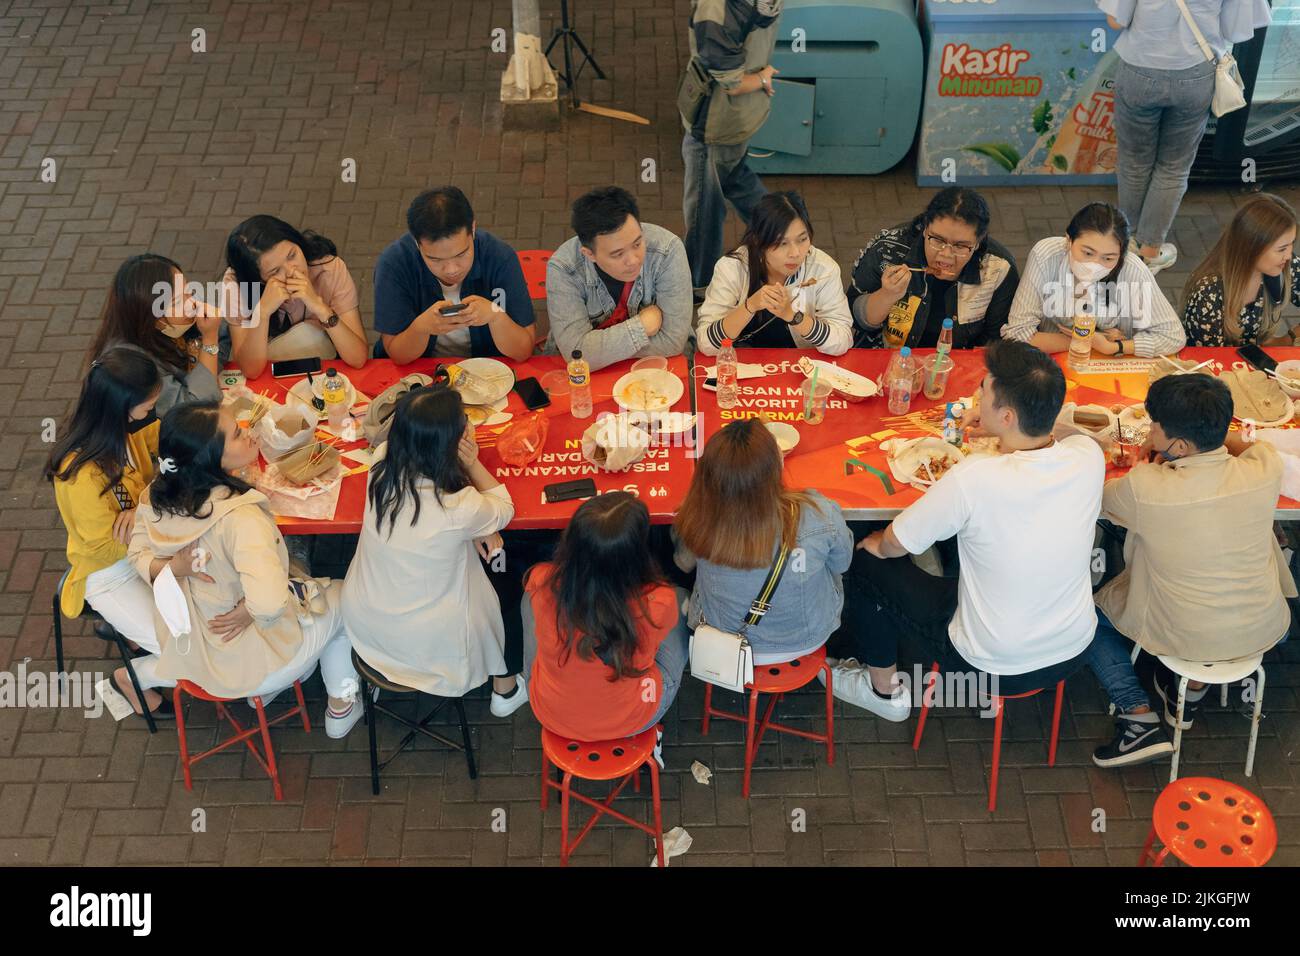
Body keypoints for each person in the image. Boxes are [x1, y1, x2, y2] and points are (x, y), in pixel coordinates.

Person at [835, 341, 1104, 721]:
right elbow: (1065, 432)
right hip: (1074, 648)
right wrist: (1009, 425)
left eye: (984, 391)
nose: (977, 394)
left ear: (1008, 415)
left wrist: (877, 542)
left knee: (865, 560)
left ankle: (884, 693)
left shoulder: (975, 477)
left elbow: (895, 544)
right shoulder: (1088, 458)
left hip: (990, 664)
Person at [117, 401, 363, 737]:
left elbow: (136, 554)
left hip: (195, 645)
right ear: (211, 458)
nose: (248, 434)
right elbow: (269, 606)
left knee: (293, 570)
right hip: (249, 658)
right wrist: (251, 610)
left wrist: (173, 567)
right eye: (236, 435)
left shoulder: (157, 494)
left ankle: (272, 686)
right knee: (346, 597)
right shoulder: (241, 520)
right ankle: (342, 702)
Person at [1088, 374, 1295, 766]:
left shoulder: (1146, 487)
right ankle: (1191, 691)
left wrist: (1139, 464)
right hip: (1263, 629)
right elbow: (1253, 446)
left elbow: (1103, 502)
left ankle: (1137, 719)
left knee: (1086, 619)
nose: (1150, 431)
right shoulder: (1264, 469)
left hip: (1185, 635)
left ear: (1179, 445)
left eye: (1154, 426)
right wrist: (1216, 441)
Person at [342, 386, 527, 715]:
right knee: (506, 576)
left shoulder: (381, 462)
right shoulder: (460, 507)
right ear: (450, 442)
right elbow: (504, 507)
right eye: (464, 420)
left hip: (369, 624)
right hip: (430, 646)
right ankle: (506, 689)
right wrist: (471, 464)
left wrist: (474, 532)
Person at [1102, 0, 1272, 274]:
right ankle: (1150, 250)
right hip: (1196, 73)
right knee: (1174, 167)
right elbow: (1234, 30)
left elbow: (1115, 21)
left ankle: (1126, 244)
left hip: (1140, 69)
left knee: (1134, 162)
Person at [674, 419, 853, 666]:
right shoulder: (818, 512)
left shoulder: (697, 513)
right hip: (807, 638)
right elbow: (842, 564)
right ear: (775, 467)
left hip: (723, 639)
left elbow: (682, 564)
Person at [524, 492, 688, 752]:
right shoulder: (658, 601)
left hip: (553, 713)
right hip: (634, 717)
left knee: (529, 603)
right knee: (682, 600)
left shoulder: (542, 581)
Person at [47, 346, 163, 654]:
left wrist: (145, 508)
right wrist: (151, 517)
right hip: (111, 572)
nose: (152, 412)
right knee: (181, 646)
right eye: (147, 406)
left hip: (147, 546)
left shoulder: (127, 428)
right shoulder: (79, 475)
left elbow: (170, 441)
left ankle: (133, 639)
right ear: (121, 408)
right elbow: (104, 546)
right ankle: (126, 683)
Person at [679, 0, 783, 292]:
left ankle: (700, 284)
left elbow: (732, 83)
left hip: (715, 122)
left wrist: (762, 78)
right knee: (736, 179)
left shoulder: (717, 8)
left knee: (704, 208)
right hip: (742, 116)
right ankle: (782, 236)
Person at [373, 187, 536, 364]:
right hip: (421, 371)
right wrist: (421, 328)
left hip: (487, 370)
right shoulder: (394, 264)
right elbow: (397, 355)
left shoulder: (499, 258)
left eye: (461, 254)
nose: (451, 269)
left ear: (472, 229)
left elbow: (524, 350)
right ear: (416, 242)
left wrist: (495, 316)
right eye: (435, 259)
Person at [1002, 202, 1185, 357]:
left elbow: (1173, 336)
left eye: (1108, 258)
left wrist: (1116, 347)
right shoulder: (1046, 255)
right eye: (1087, 253)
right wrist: (1086, 339)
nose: (1094, 265)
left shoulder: (1132, 269)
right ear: (1069, 240)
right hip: (1052, 359)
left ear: (1121, 255)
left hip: (1111, 362)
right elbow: (1016, 334)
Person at [846, 187, 1019, 350]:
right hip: (886, 356)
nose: (946, 255)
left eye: (960, 246)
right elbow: (853, 318)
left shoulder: (998, 269)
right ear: (924, 228)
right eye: (937, 240)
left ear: (978, 242)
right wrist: (886, 296)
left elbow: (995, 340)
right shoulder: (888, 251)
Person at [545, 186, 693, 371]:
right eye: (617, 254)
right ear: (589, 254)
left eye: (637, 243)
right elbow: (577, 354)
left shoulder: (667, 250)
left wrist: (599, 352)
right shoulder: (564, 268)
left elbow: (672, 342)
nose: (633, 260)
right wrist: (641, 327)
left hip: (655, 372)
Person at [696, 191, 852, 355]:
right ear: (758, 241)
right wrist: (750, 306)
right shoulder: (732, 268)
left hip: (800, 369)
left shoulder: (823, 270)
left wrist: (793, 316)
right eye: (782, 243)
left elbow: (842, 341)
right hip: (737, 368)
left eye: (802, 239)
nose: (795, 253)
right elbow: (707, 345)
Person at [221, 215, 368, 377]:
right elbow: (251, 371)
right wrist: (262, 313)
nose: (292, 271)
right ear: (258, 279)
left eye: (292, 255)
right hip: (269, 373)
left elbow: (358, 358)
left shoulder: (329, 269)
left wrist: (321, 309)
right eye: (275, 271)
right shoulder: (237, 286)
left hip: (326, 369)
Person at [87, 254, 224, 416]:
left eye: (189, 291)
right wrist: (210, 340)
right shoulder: (132, 366)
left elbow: (225, 346)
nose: (191, 305)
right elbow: (194, 409)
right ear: (148, 314)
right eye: (176, 302)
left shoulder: (169, 323)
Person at [1182, 193, 1300, 347]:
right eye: (1281, 249)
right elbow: (1210, 363)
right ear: (1251, 248)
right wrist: (1287, 340)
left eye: (1291, 244)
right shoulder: (1208, 293)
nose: (1289, 256)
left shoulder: (1284, 267)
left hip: (1258, 360)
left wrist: (1282, 341)